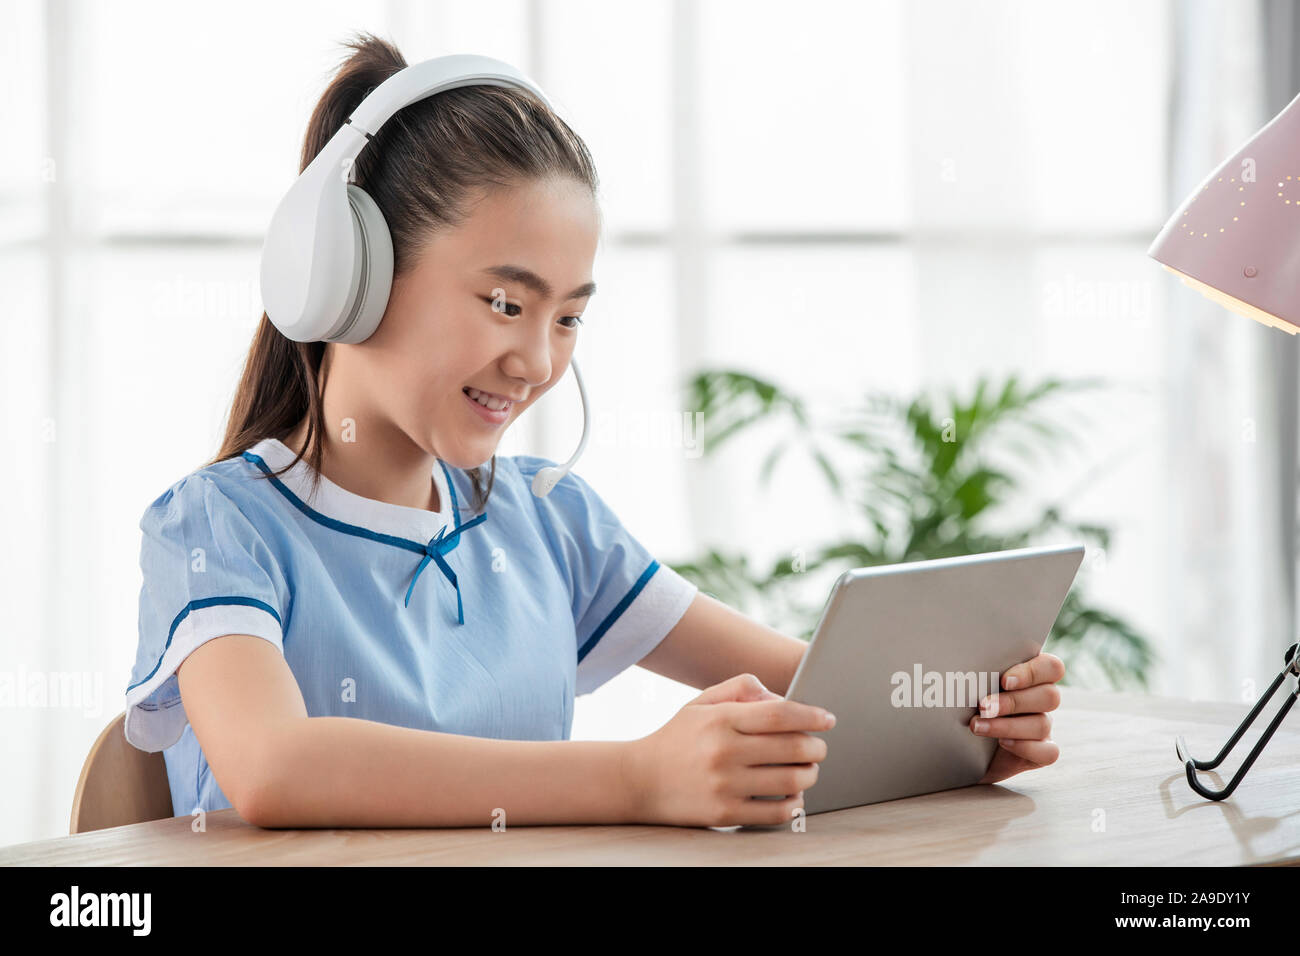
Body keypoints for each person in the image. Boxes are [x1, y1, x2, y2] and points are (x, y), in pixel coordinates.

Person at [124, 32, 1064, 830]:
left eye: (568, 317)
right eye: (505, 302)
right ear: (346, 277)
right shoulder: (219, 529)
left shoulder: (549, 523)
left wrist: (958, 717)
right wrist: (635, 777)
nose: (537, 361)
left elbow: (822, 694)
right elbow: (274, 769)